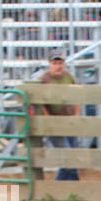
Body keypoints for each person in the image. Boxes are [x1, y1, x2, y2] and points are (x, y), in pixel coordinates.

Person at [36, 51, 80, 182]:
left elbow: (78, 95)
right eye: (55, 63)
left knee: (73, 154)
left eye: (60, 63)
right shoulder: (43, 79)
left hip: (69, 119)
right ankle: (69, 184)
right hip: (54, 121)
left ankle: (65, 186)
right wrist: (47, 116)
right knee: (66, 155)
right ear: (50, 64)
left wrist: (76, 115)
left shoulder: (69, 77)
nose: (58, 66)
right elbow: (39, 101)